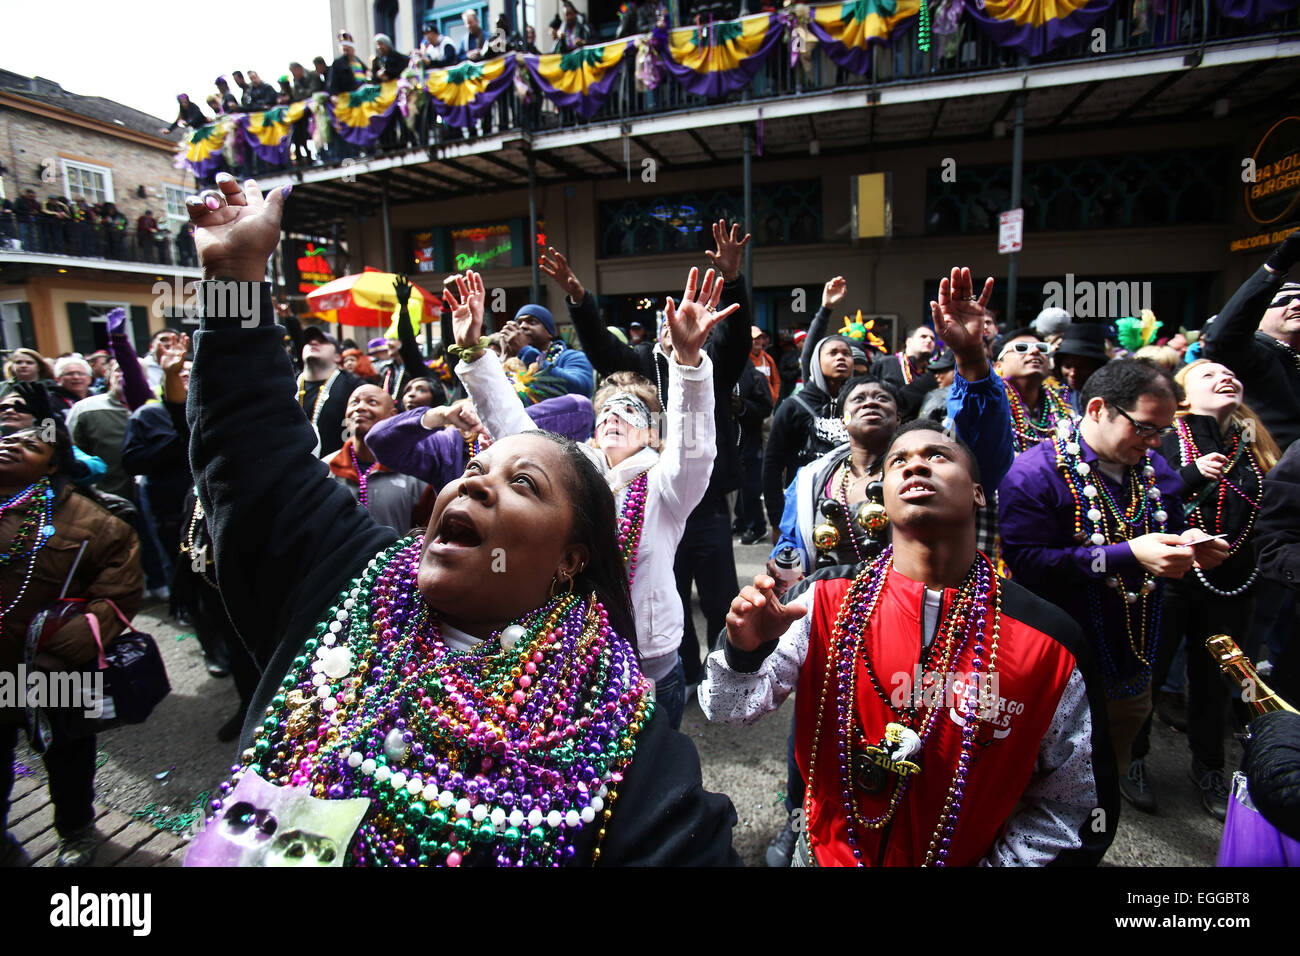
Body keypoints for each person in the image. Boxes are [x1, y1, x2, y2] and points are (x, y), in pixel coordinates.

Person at [180, 175, 739, 867]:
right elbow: (254, 454)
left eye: (522, 486)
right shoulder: (349, 578)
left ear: (571, 558)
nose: (475, 486)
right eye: (473, 474)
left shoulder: (614, 729)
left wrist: (687, 364)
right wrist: (233, 279)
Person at [701, 413, 1120, 866]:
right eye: (898, 460)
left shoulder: (1050, 642)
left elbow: (1075, 806)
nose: (914, 466)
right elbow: (726, 712)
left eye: (937, 456)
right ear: (882, 495)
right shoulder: (820, 599)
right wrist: (745, 654)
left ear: (978, 491)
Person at [447, 265, 724, 729]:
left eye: (631, 410)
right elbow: (515, 432)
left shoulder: (667, 484)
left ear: (654, 432)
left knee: (650, 786)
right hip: (574, 654)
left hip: (651, 666)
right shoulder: (572, 472)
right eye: (607, 410)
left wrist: (689, 363)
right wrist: (476, 352)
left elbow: (695, 449)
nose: (615, 416)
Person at [997, 359, 1230, 808]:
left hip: (1131, 656)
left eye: (1162, 430)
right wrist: (1128, 555)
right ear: (1099, 408)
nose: (1155, 442)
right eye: (1144, 428)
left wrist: (1189, 541)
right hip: (1055, 663)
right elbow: (1028, 563)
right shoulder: (1034, 473)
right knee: (1035, 779)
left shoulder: (1150, 465)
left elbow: (1170, 519)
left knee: (1105, 770)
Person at [538, 224, 753, 690]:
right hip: (650, 495)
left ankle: (729, 676)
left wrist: (733, 278)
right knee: (664, 587)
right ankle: (685, 673)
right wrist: (578, 299)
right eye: (667, 322)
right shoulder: (638, 364)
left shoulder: (706, 360)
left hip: (703, 497)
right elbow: (599, 347)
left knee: (718, 594)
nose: (674, 328)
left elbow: (736, 343)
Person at [1123, 359, 1282, 818]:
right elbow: (1144, 496)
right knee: (1148, 673)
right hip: (1170, 580)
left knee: (1217, 681)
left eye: (1231, 372)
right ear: (1185, 398)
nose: (1225, 376)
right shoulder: (1166, 438)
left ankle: (1210, 765)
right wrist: (1192, 474)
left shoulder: (1255, 445)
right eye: (1208, 373)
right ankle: (1132, 759)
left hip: (1234, 586)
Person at [0, 414, 142, 867]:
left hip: (54, 669)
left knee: (69, 753)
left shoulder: (93, 519)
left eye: (32, 443)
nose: (14, 444)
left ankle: (76, 831)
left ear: (51, 464)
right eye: (8, 439)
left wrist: (70, 643)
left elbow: (121, 587)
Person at [1203, 230, 1300, 450]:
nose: (1296, 305)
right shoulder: (1252, 353)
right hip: (1273, 472)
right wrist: (1276, 266)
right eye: (1282, 301)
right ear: (1258, 320)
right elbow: (1222, 338)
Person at [991, 328, 1074, 455]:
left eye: (1042, 348)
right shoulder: (987, 403)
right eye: (1021, 347)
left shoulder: (1060, 405)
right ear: (998, 366)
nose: (1035, 351)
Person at [497, 303, 595, 399]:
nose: (523, 326)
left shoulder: (572, 356)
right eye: (519, 323)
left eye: (532, 322)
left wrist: (525, 351)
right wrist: (505, 357)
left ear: (549, 332)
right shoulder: (511, 361)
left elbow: (581, 389)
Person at [298, 324, 364, 458]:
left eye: (322, 341)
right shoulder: (289, 384)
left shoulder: (353, 385)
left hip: (336, 469)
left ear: (337, 357)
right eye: (308, 341)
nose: (313, 342)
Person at [732, 356, 773, 544]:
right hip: (728, 440)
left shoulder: (755, 376)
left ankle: (757, 526)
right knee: (737, 484)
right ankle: (741, 521)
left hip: (749, 438)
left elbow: (765, 408)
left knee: (750, 484)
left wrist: (742, 406)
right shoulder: (716, 370)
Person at [1054, 323, 1111, 415]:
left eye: (1082, 367)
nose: (1073, 373)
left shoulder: (1110, 399)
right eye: (1068, 366)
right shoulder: (1053, 396)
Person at [874, 324, 936, 391]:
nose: (929, 340)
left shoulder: (933, 373)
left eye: (932, 338)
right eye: (923, 337)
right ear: (908, 342)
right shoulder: (887, 363)